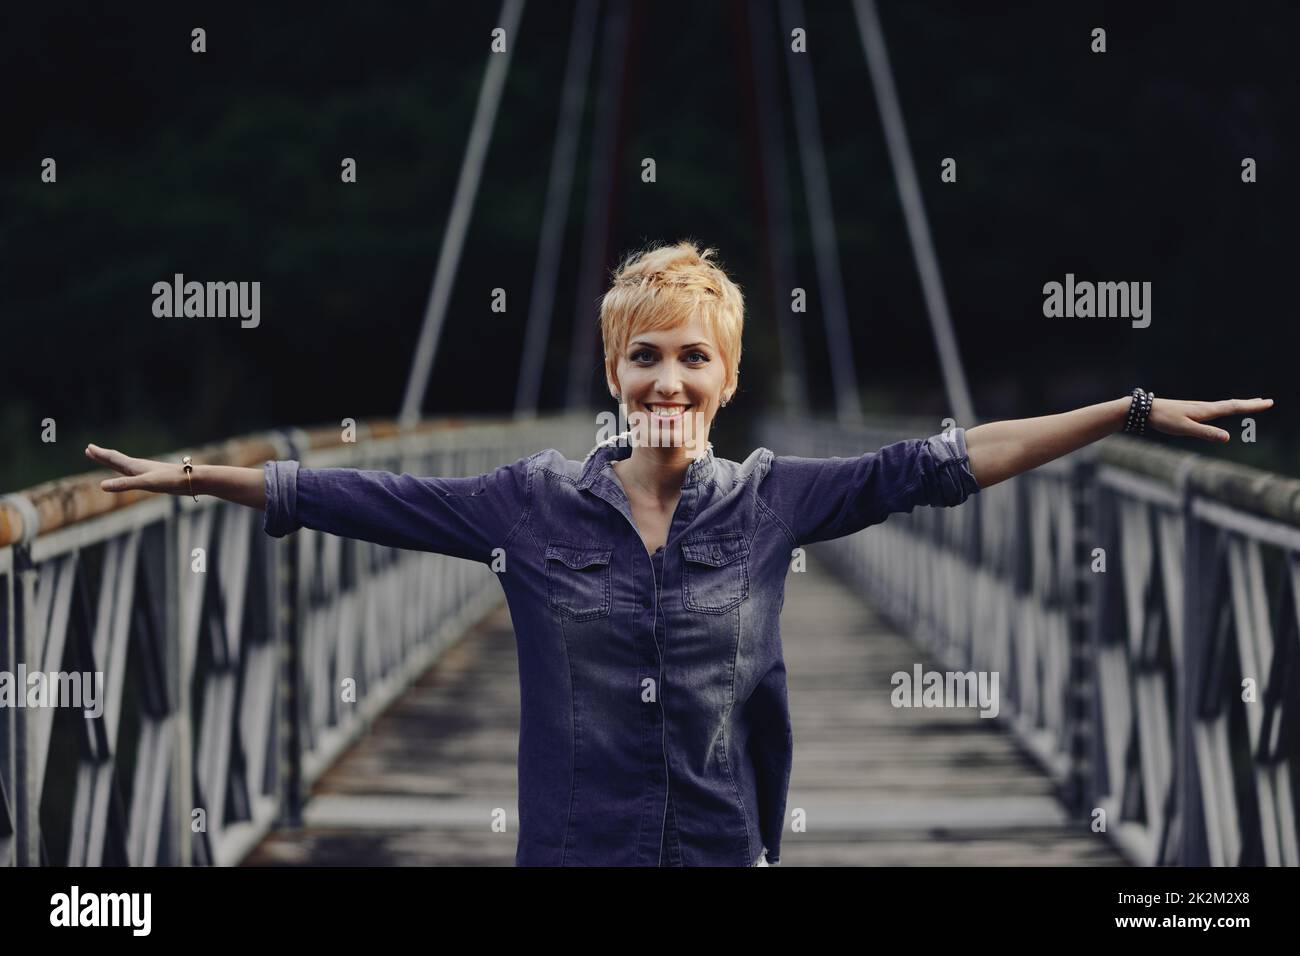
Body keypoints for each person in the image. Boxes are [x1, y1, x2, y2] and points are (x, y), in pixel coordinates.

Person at [85, 240, 1274, 866]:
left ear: (728, 379)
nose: (667, 377)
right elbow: (351, 493)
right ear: (614, 373)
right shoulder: (524, 505)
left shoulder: (774, 501)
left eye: (692, 357)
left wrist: (1122, 407)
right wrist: (188, 476)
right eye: (644, 354)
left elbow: (950, 457)